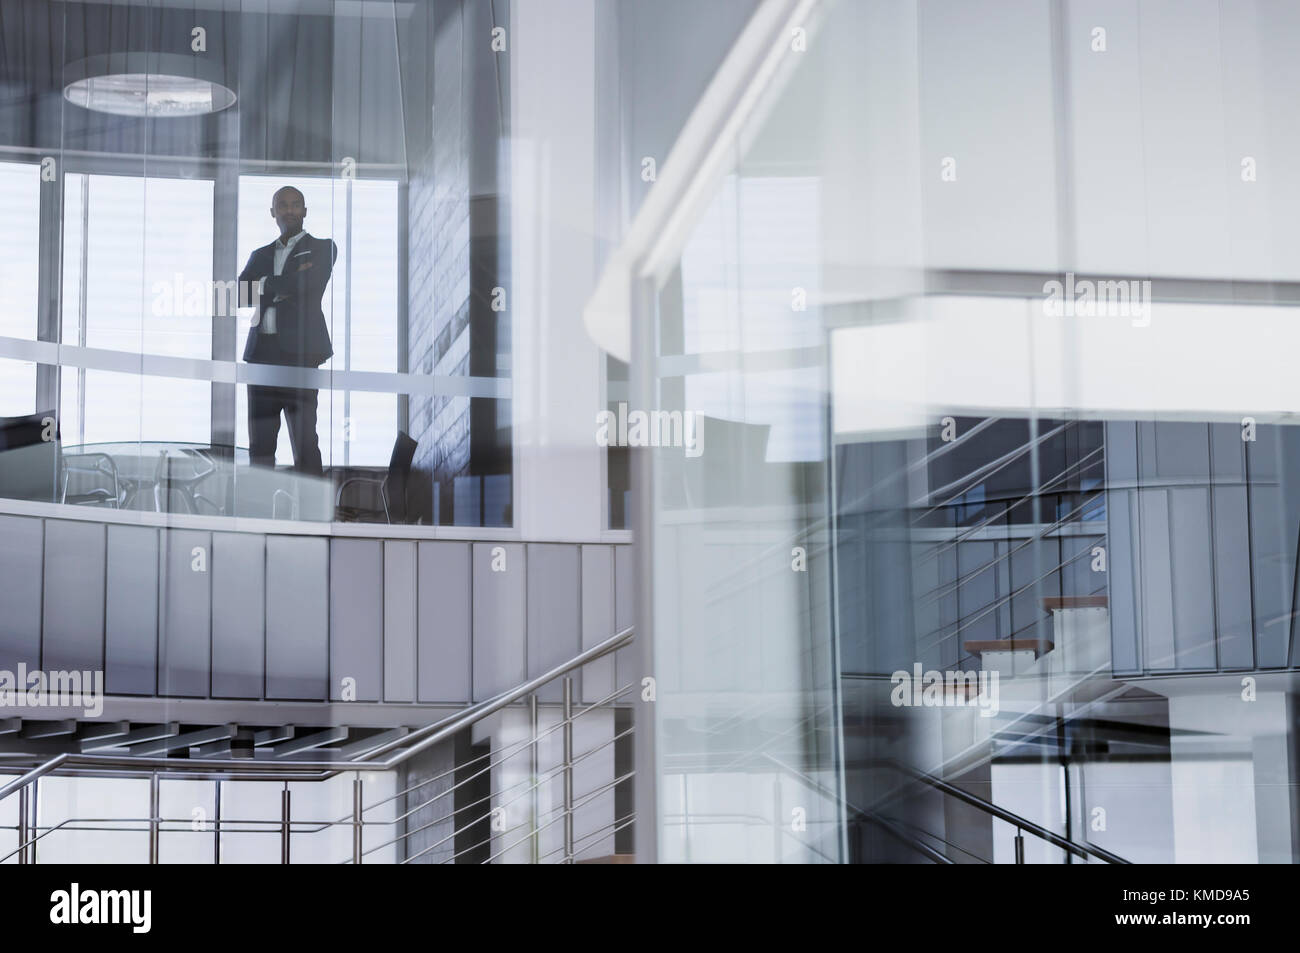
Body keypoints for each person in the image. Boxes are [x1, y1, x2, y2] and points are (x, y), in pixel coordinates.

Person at [239, 185, 337, 475]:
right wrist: (285, 285)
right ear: (273, 212)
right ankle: (257, 519)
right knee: (260, 446)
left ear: (305, 211)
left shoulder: (323, 248)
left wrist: (265, 284)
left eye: (296, 205)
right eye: (283, 205)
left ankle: (312, 519)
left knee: (305, 442)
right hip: (261, 358)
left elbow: (308, 286)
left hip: (301, 356)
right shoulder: (260, 254)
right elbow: (239, 296)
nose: (290, 210)